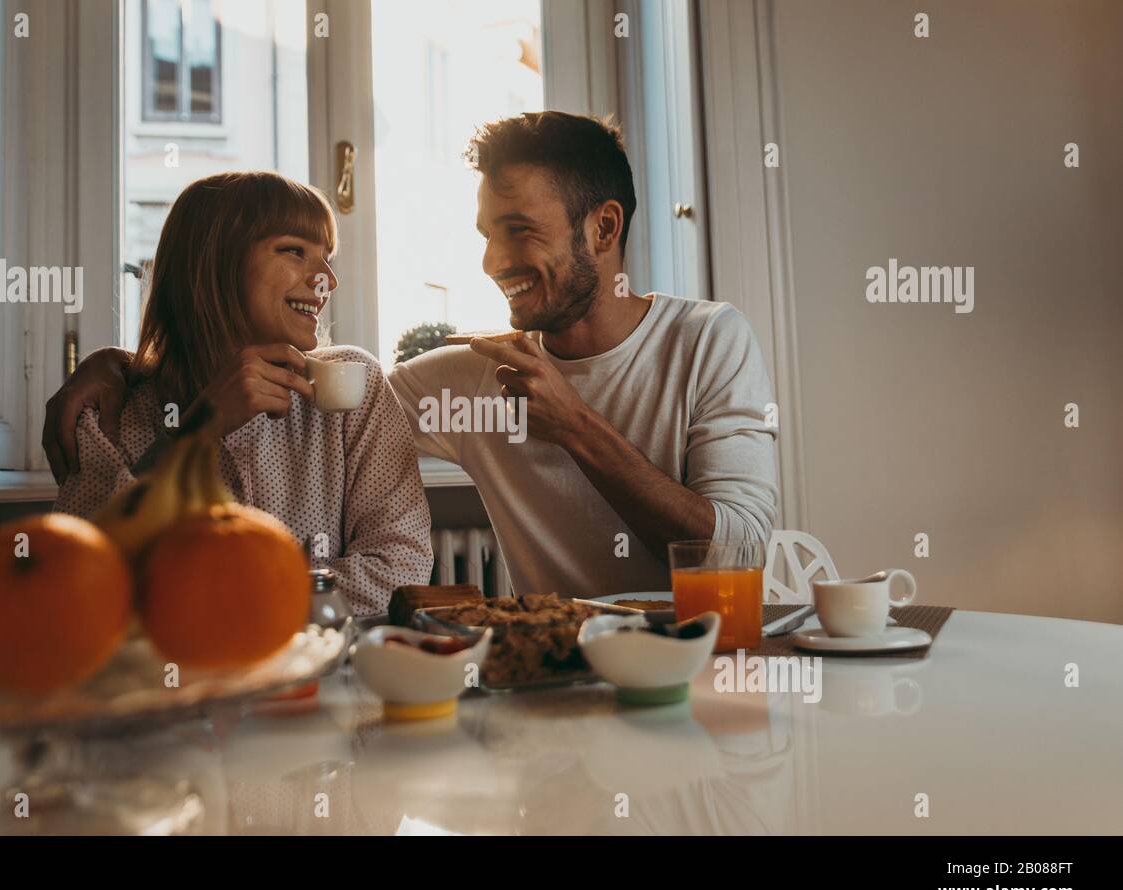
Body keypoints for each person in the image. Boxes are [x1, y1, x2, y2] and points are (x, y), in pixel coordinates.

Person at [46, 113, 776, 599]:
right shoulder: (460, 377)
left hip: (712, 657)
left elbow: (739, 557)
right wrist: (117, 365)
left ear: (603, 227)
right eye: (486, 232)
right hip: (552, 673)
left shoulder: (709, 340)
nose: (492, 261)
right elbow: (74, 574)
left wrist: (575, 424)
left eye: (518, 230)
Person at [51, 171, 432, 615]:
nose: (328, 279)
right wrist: (194, 433)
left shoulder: (352, 386)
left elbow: (399, 568)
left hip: (322, 679)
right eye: (294, 250)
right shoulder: (107, 410)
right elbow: (80, 586)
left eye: (327, 257)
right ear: (212, 262)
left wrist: (221, 606)